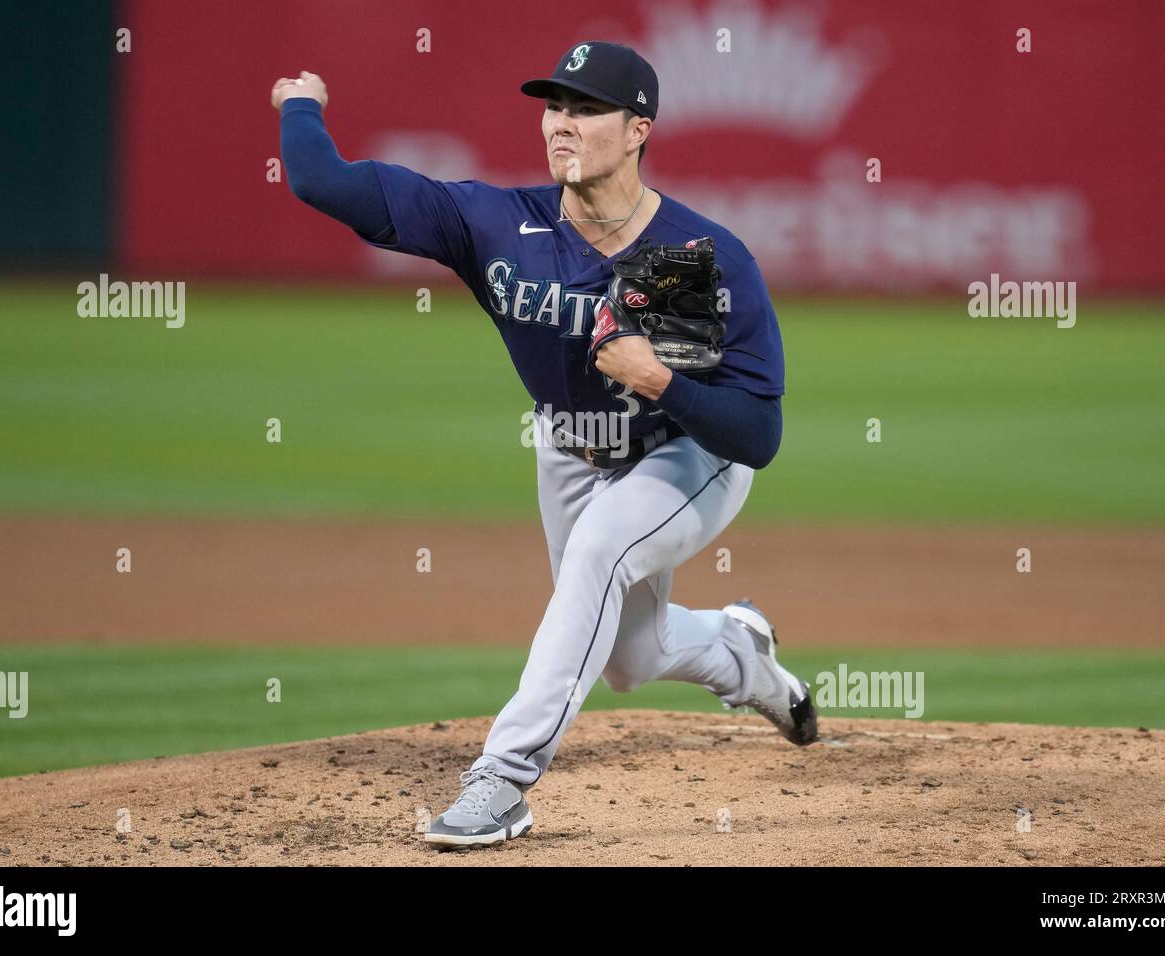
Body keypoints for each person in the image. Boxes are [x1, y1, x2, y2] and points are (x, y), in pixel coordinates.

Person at [272, 40, 817, 849]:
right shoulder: (498, 223)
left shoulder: (693, 258)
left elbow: (760, 435)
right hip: (569, 448)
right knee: (631, 659)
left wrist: (662, 381)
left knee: (602, 547)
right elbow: (323, 182)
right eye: (554, 106)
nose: (561, 123)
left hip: (689, 451)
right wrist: (299, 105)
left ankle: (502, 779)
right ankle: (743, 654)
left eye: (585, 109)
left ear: (637, 130)